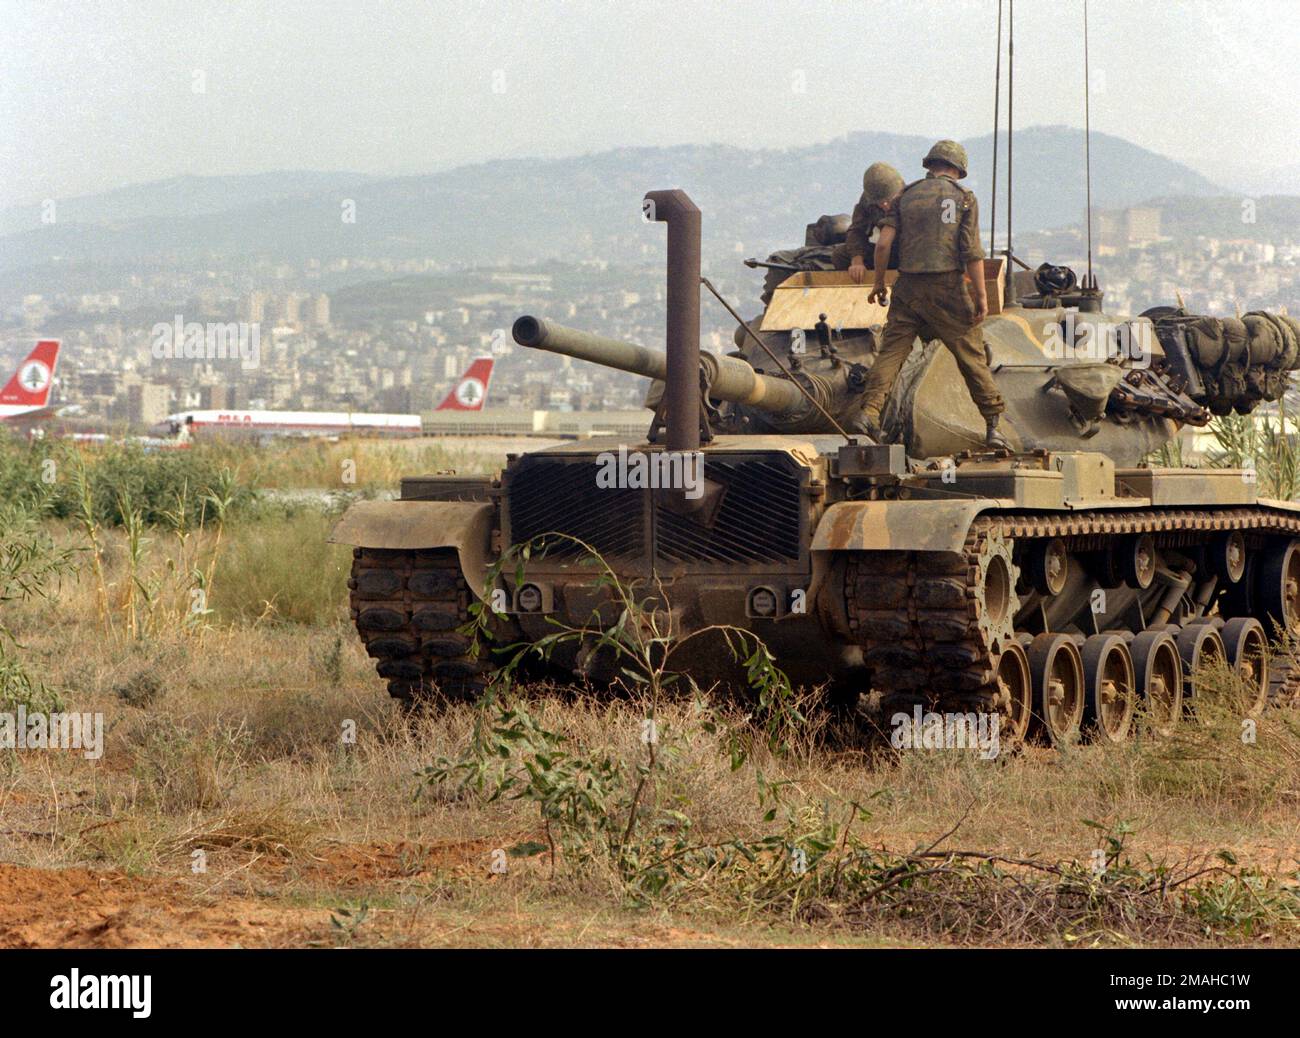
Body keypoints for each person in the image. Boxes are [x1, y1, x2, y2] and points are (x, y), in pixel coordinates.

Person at [859, 140, 1009, 450]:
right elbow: (971, 252)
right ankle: (993, 425)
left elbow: (884, 244)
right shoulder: (964, 198)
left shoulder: (905, 196)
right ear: (957, 169)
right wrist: (981, 295)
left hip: (909, 288)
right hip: (948, 289)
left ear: (931, 165)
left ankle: (868, 413)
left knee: (891, 353)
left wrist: (878, 283)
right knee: (971, 355)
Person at [839, 161, 904, 278]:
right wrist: (857, 262)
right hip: (883, 254)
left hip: (907, 253)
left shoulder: (912, 197)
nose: (885, 205)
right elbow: (856, 231)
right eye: (879, 202)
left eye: (888, 200)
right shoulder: (867, 200)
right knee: (840, 255)